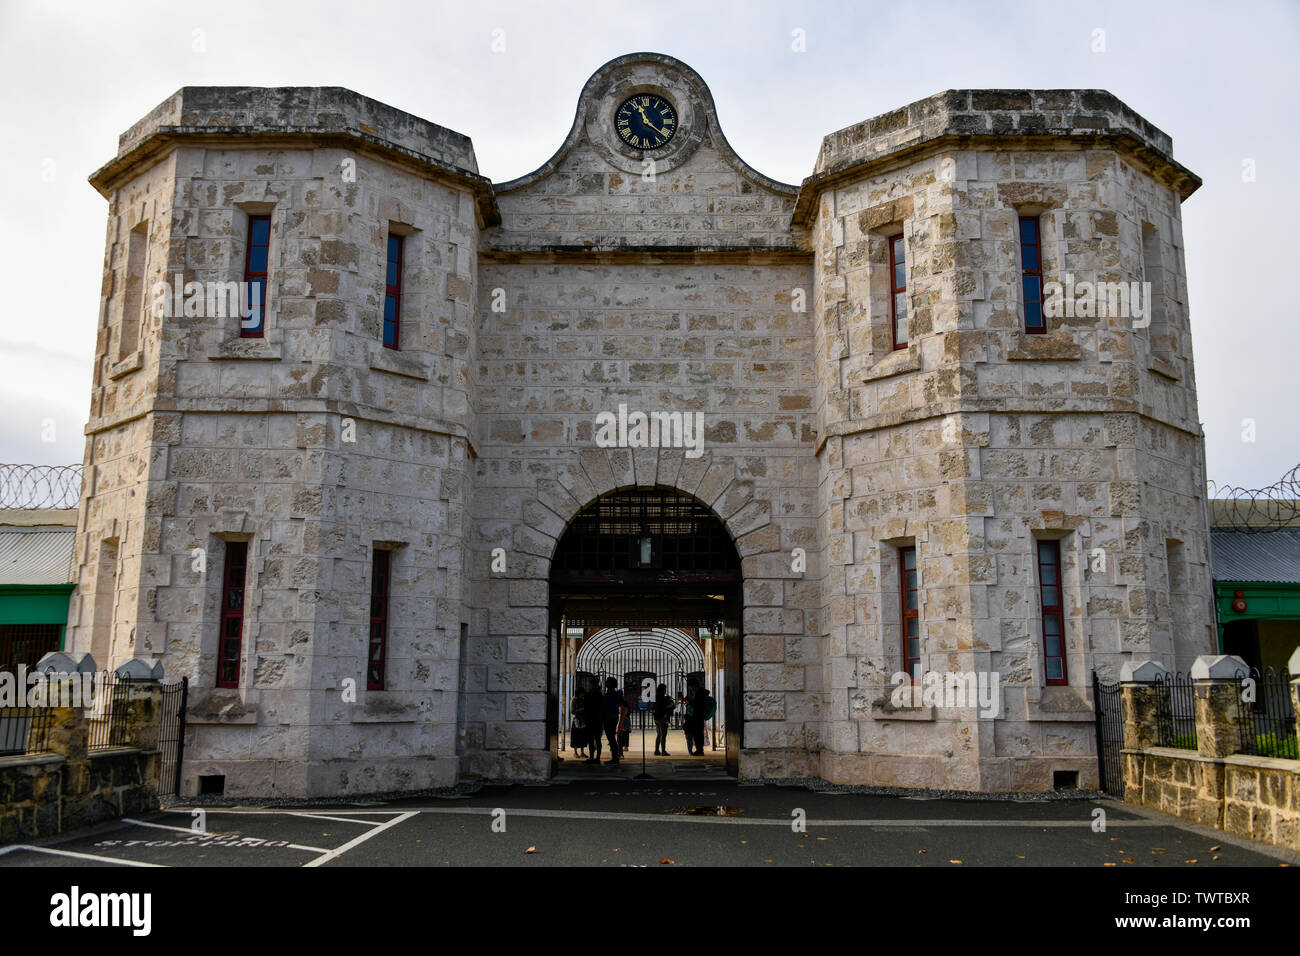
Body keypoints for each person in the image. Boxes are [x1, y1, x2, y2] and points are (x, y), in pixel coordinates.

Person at [601, 676, 629, 765]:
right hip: (610, 718)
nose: (605, 683)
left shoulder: (612, 694)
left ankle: (615, 758)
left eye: (607, 682)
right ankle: (615, 757)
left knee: (612, 739)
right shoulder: (613, 694)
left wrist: (622, 720)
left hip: (611, 719)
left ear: (610, 684)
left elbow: (625, 706)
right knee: (612, 739)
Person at [583, 683, 603, 763]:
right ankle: (593, 757)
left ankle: (596, 757)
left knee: (596, 739)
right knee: (592, 739)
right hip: (592, 719)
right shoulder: (596, 695)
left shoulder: (598, 695)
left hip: (596, 719)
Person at [653, 683, 674, 756]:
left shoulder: (656, 697)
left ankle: (656, 750)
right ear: (663, 689)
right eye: (665, 689)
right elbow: (665, 707)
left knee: (659, 734)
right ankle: (663, 751)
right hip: (663, 718)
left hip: (656, 718)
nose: (665, 690)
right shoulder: (662, 698)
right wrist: (670, 704)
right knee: (663, 735)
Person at [570, 683, 588, 759]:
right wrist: (582, 709)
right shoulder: (573, 700)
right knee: (575, 737)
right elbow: (572, 711)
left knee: (583, 737)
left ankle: (582, 752)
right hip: (576, 721)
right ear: (579, 693)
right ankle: (575, 752)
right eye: (582, 693)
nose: (583, 695)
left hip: (583, 721)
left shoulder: (583, 699)